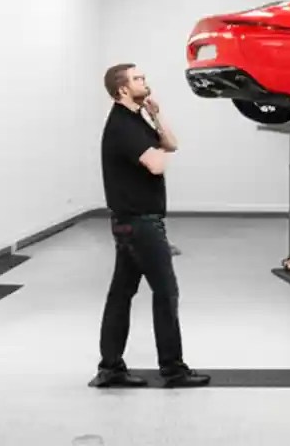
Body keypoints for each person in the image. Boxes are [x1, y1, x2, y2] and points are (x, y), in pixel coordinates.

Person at [88, 63, 210, 389]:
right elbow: (157, 163)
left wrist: (156, 117)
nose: (145, 81)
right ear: (123, 89)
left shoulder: (136, 119)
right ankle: (173, 370)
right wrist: (156, 144)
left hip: (132, 223)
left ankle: (110, 368)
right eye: (138, 78)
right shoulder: (121, 126)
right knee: (166, 292)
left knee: (121, 295)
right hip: (139, 223)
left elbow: (172, 144)